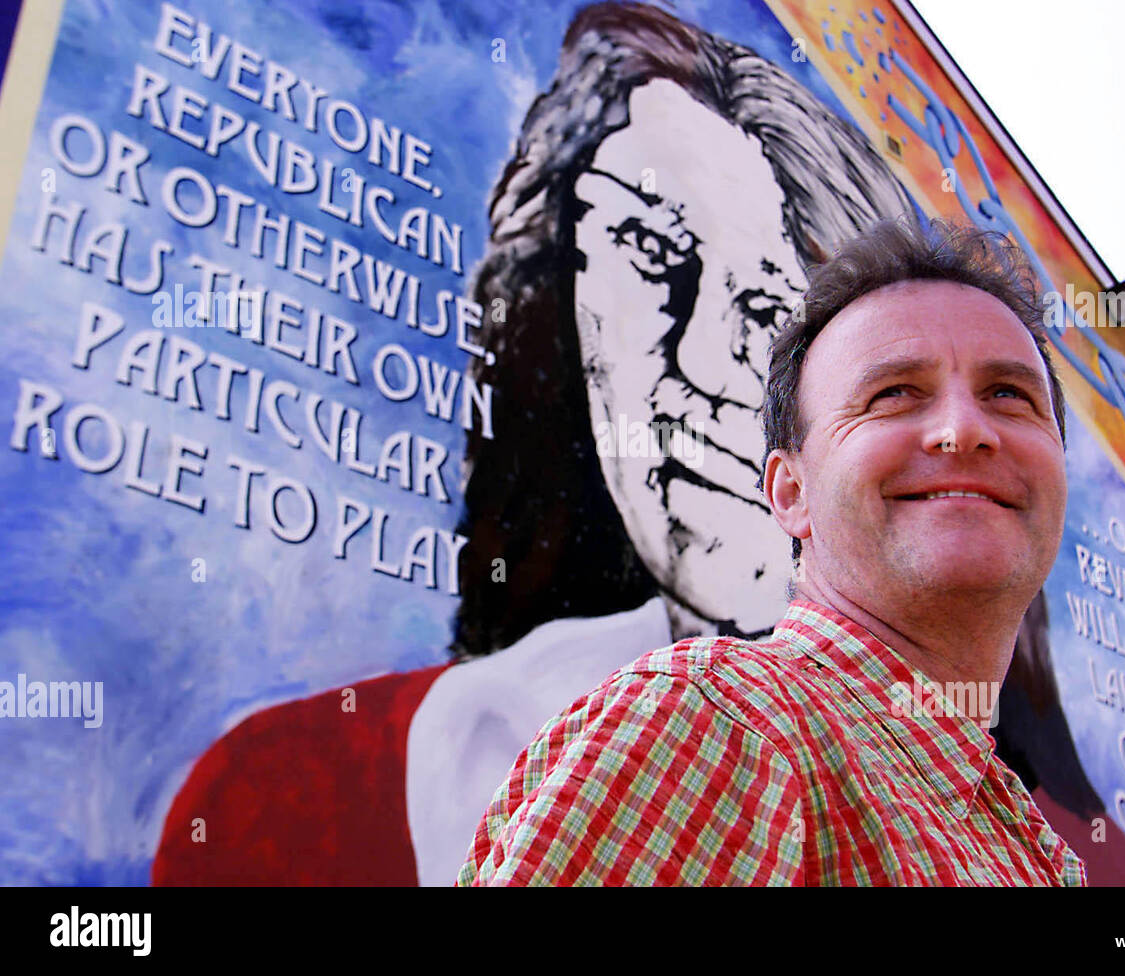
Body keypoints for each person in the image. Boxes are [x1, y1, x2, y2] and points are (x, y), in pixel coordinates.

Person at [151, 2, 914, 886]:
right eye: (648, 252)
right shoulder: (285, 800)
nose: (701, 361)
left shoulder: (1026, 850)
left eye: (772, 308)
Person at [456, 217, 1089, 885]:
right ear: (791, 493)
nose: (965, 429)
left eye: (1009, 396)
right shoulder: (719, 725)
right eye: (893, 394)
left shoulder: (1030, 846)